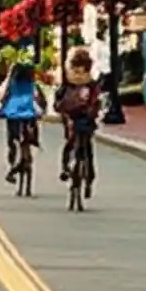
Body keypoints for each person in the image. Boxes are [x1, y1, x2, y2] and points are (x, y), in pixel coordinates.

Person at [0, 50, 47, 182]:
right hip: (29, 113)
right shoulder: (32, 85)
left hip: (12, 112)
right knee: (31, 133)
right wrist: (42, 110)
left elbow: (2, 96)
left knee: (12, 141)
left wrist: (2, 106)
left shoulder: (12, 84)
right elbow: (40, 98)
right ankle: (33, 141)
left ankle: (12, 165)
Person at [55, 47, 101, 189]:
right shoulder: (72, 84)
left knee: (75, 144)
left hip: (80, 118)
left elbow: (58, 101)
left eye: (83, 71)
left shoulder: (78, 84)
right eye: (76, 70)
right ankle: (84, 175)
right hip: (77, 118)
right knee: (80, 145)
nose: (79, 75)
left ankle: (70, 169)